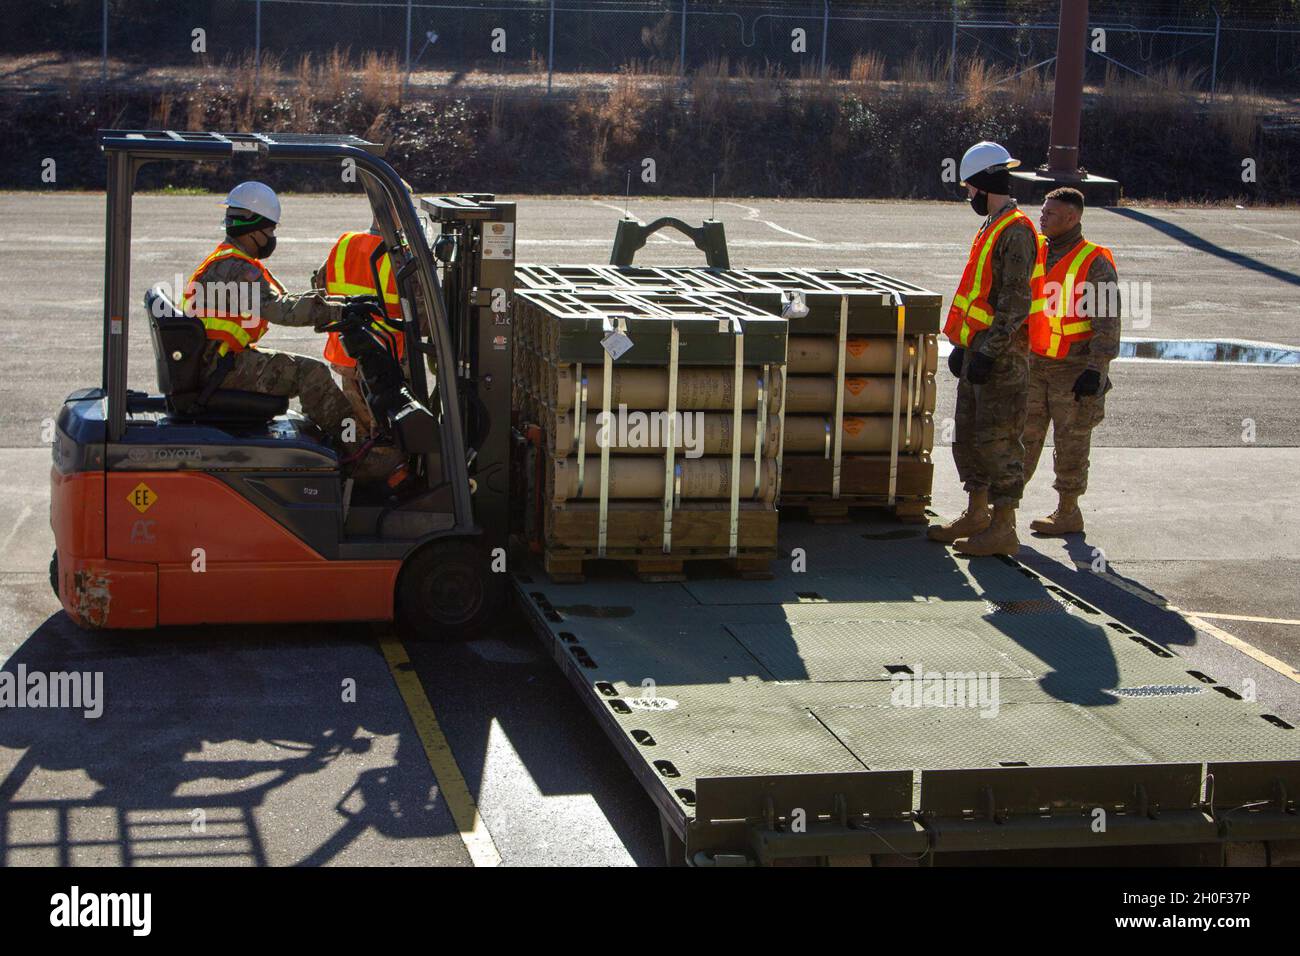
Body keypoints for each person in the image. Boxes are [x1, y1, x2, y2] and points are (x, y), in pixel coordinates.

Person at [184, 181, 401, 478]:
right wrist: (339, 310)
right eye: (270, 230)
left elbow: (283, 301)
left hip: (218, 361)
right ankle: (361, 457)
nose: (272, 237)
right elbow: (282, 310)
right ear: (254, 227)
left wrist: (343, 303)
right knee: (309, 373)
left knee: (304, 369)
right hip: (221, 368)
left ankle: (343, 447)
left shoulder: (228, 262)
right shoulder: (236, 268)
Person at [928, 141, 1046, 557]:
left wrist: (990, 351)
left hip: (1002, 357)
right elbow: (981, 295)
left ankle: (1003, 528)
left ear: (982, 184)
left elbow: (1016, 302)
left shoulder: (1015, 231)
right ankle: (977, 514)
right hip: (980, 349)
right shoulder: (992, 225)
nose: (967, 196)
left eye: (969, 188)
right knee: (970, 435)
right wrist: (964, 344)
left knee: (999, 440)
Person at [1023, 187, 1120, 535]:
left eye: (1050, 213)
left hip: (1075, 370)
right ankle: (1003, 510)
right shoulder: (1036, 251)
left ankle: (1068, 511)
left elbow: (1107, 322)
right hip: (1036, 364)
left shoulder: (1094, 261)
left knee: (1072, 441)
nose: (1042, 216)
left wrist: (1096, 369)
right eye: (1043, 211)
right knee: (1023, 436)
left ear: (1072, 218)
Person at [313, 223, 406, 437]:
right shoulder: (400, 257)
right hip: (387, 362)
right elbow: (423, 318)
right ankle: (388, 468)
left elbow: (320, 285)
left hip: (349, 352)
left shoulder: (345, 244)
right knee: (390, 433)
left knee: (357, 431)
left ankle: (362, 464)